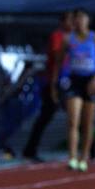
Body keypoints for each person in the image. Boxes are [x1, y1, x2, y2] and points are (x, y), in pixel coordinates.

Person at [57, 7, 95, 171]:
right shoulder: (67, 39)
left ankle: (84, 157)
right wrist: (55, 83)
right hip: (74, 80)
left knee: (87, 123)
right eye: (76, 18)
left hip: (90, 81)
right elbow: (59, 63)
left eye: (81, 17)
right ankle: (72, 157)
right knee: (73, 120)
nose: (78, 21)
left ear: (88, 20)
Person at [22, 9, 74, 161]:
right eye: (69, 20)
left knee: (75, 115)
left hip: (70, 82)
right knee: (47, 116)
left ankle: (90, 149)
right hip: (54, 82)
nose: (72, 23)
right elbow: (58, 56)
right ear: (63, 22)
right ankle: (30, 149)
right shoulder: (57, 37)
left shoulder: (76, 38)